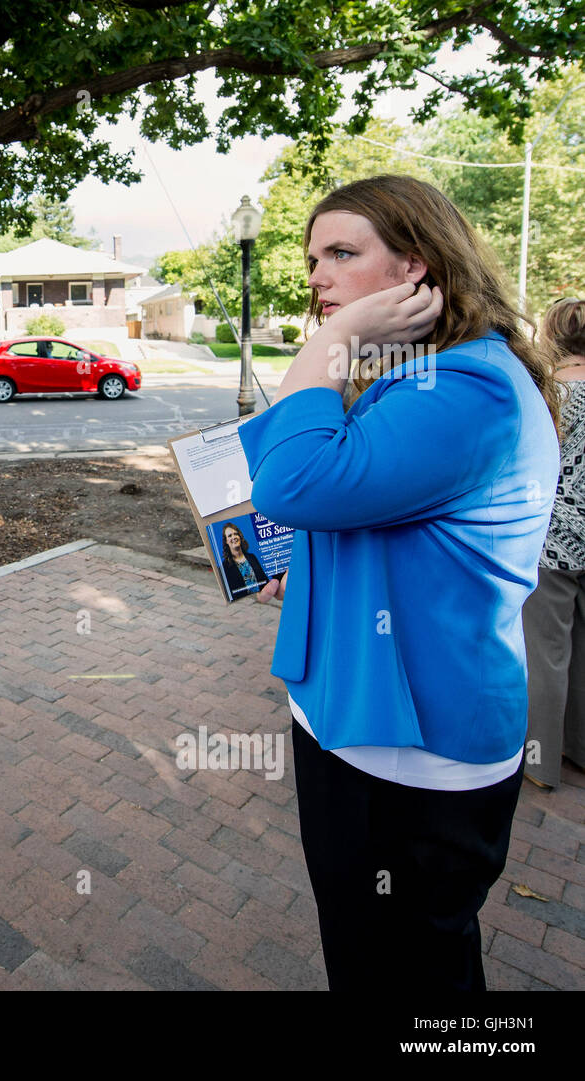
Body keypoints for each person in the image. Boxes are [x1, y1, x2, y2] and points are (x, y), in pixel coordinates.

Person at [239, 175, 559, 991]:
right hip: (356, 716)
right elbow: (378, 524)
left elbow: (291, 483)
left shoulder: (469, 384)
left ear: (417, 268)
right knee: (385, 954)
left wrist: (329, 343)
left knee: (398, 967)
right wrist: (309, 572)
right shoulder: (417, 377)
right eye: (313, 257)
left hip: (412, 752)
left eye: (342, 253)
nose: (317, 274)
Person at [523, 298, 585, 789]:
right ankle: (578, 747)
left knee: (545, 651)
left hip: (553, 542)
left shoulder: (549, 396)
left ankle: (540, 763)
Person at [219, 521, 269, 599]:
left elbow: (265, 581)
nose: (234, 537)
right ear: (226, 541)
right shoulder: (225, 567)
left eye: (236, 534)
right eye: (229, 536)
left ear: (240, 536)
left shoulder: (252, 557)